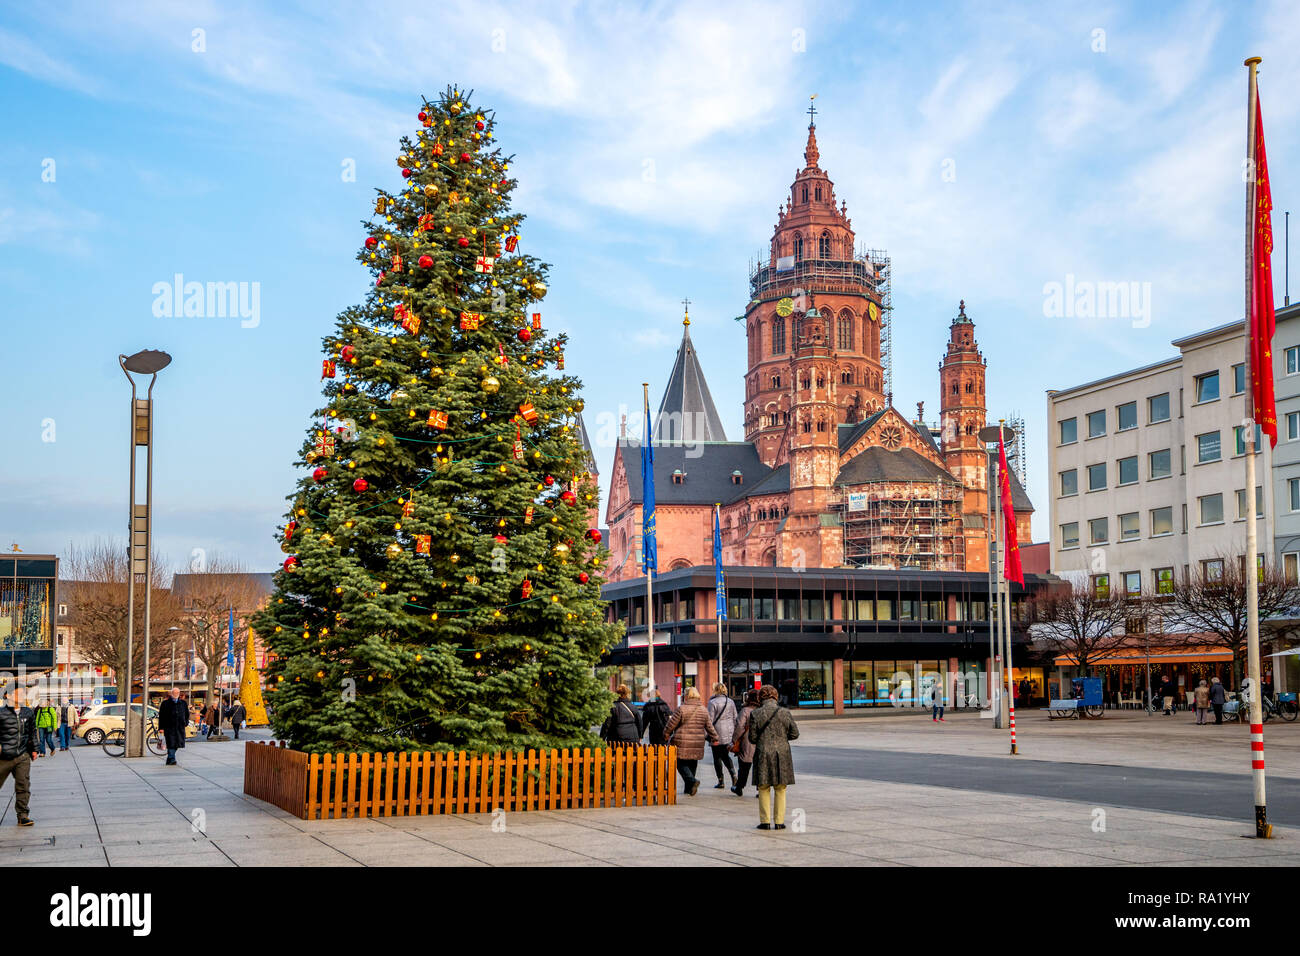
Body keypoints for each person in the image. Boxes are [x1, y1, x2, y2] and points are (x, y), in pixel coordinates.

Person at [749, 684, 799, 830]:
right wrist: (782, 738)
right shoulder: (785, 712)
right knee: (780, 788)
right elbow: (795, 733)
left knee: (763, 787)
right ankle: (779, 822)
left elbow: (752, 738)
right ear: (775, 696)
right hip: (782, 753)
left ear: (760, 697)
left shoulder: (755, 714)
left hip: (763, 752)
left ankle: (764, 822)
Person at [662, 686, 719, 797]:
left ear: (687, 696)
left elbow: (671, 724)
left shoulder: (681, 709)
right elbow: (709, 726)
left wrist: (666, 734)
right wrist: (715, 737)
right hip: (697, 741)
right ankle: (689, 789)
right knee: (693, 762)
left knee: (679, 763)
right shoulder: (703, 709)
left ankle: (692, 781)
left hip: (682, 741)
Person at [0, 687, 38, 826]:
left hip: (22, 755)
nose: (23, 695)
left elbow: (32, 732)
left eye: (23, 692)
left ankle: (22, 815)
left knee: (23, 786)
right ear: (8, 695)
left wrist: (35, 749)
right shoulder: (1, 712)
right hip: (3, 757)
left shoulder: (27, 712)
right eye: (19, 692)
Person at [706, 683, 738, 790]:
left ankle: (721, 781)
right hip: (729, 733)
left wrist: (708, 734)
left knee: (717, 757)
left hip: (717, 733)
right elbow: (735, 718)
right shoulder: (731, 701)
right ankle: (733, 774)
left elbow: (709, 720)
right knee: (725, 755)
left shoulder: (712, 702)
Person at [731, 690, 759, 796]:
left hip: (747, 741)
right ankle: (760, 789)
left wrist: (734, 740)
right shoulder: (762, 710)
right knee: (759, 766)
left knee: (744, 765)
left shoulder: (746, 711)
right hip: (760, 741)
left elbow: (739, 727)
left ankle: (739, 787)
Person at [158, 687, 188, 766]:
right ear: (171, 694)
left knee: (178, 743)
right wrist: (161, 727)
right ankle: (172, 758)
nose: (176, 694)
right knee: (171, 743)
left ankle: (169, 758)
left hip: (179, 727)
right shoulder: (165, 703)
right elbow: (161, 716)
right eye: (174, 693)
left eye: (177, 693)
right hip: (169, 727)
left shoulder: (183, 703)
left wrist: (186, 723)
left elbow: (186, 714)